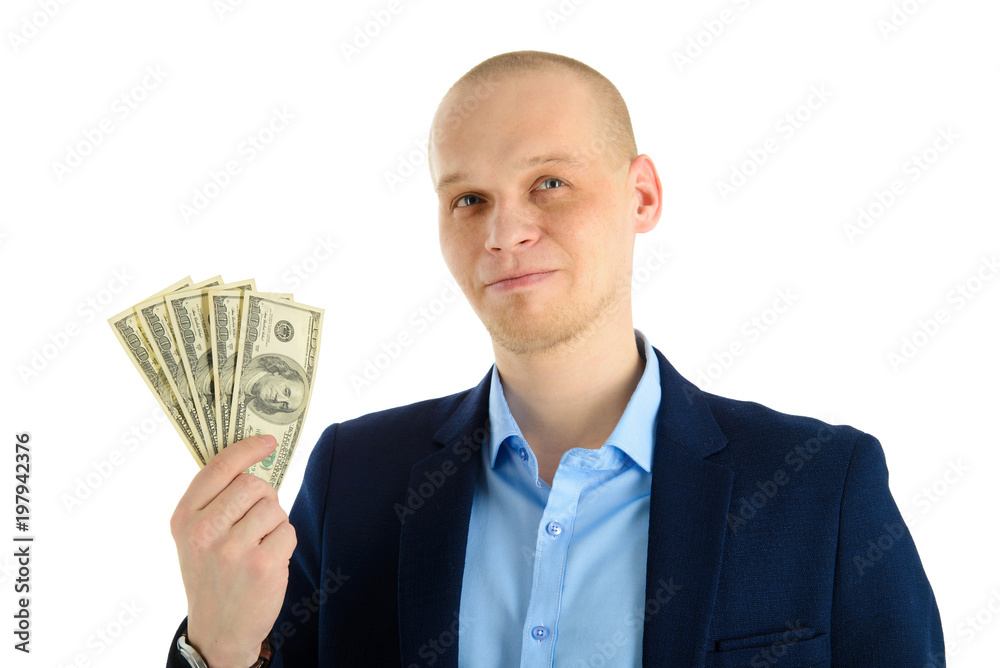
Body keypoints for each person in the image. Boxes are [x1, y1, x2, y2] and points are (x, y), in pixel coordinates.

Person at [165, 50, 945, 667]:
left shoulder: (820, 487)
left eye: (549, 182)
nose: (505, 233)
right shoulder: (355, 479)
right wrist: (219, 650)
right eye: (468, 199)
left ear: (641, 196)